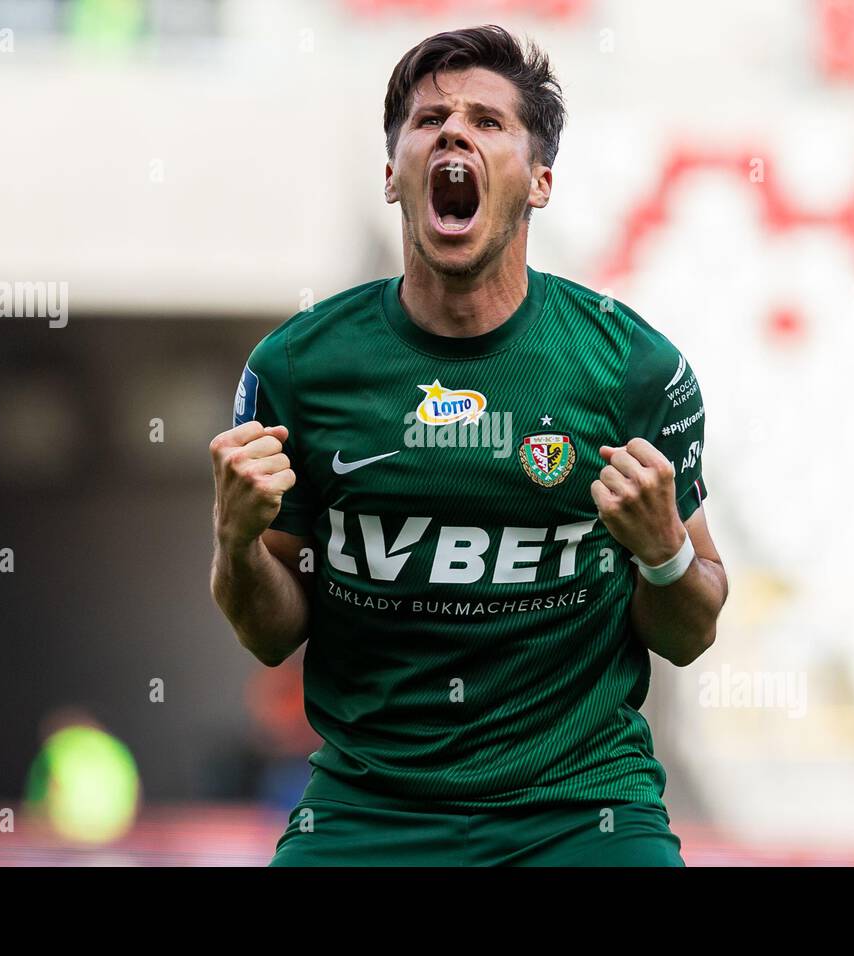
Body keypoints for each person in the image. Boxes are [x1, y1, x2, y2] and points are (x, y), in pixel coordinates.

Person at [210, 24, 728, 866]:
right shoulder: (298, 369)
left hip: (582, 810)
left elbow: (690, 629)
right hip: (370, 811)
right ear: (392, 176)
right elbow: (271, 634)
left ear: (541, 182)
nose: (453, 132)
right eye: (429, 121)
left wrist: (664, 550)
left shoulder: (631, 368)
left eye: (488, 122)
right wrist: (234, 542)